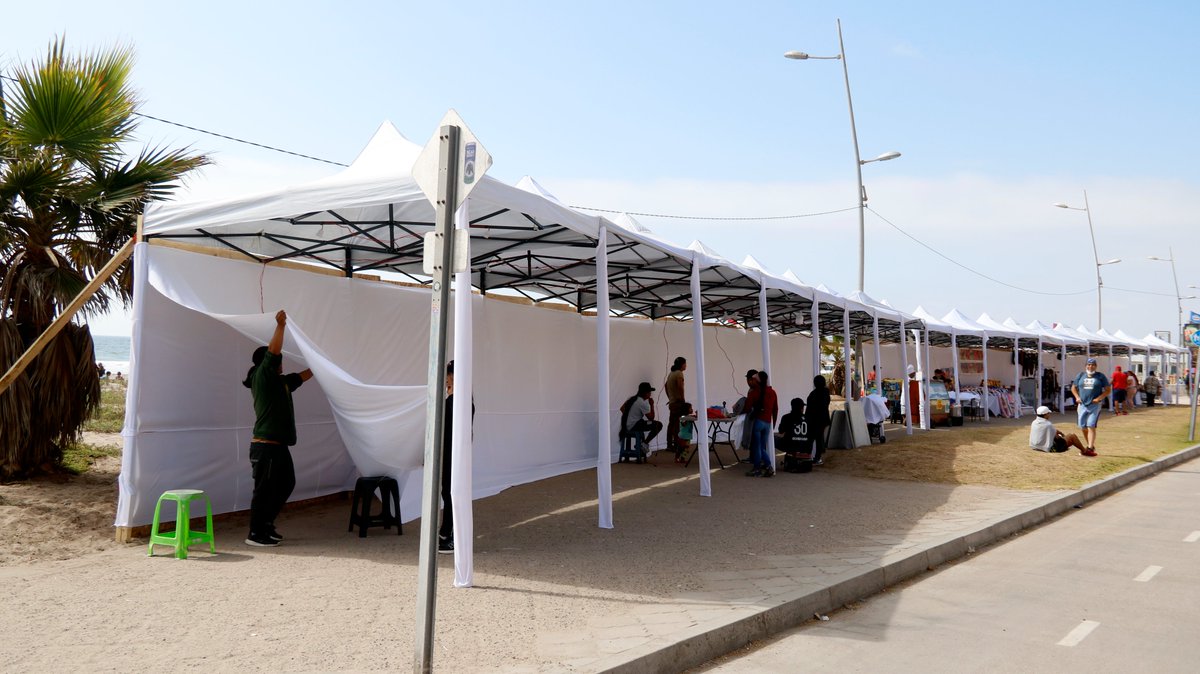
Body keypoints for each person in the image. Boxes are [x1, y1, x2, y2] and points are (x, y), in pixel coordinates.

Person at [242, 310, 313, 547]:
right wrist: (280, 326)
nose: (281, 363)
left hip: (278, 447)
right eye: (278, 361)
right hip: (265, 448)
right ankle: (255, 533)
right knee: (263, 490)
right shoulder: (263, 377)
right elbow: (273, 352)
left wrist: (320, 364)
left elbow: (302, 377)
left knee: (286, 483)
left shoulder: (280, 382)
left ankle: (266, 524)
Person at [439, 360, 475, 554]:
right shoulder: (464, 402)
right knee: (451, 493)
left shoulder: (454, 403)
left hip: (451, 455)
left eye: (448, 376)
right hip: (457, 455)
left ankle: (450, 535)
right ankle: (447, 532)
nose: (445, 380)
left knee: (451, 494)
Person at [1071, 357, 1110, 456]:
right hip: (1082, 404)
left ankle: (1090, 447)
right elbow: (1073, 388)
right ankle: (1090, 445)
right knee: (1083, 427)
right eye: (1089, 365)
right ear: (1086, 366)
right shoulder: (1080, 375)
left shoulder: (1100, 376)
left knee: (1091, 425)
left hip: (1094, 405)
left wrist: (1099, 398)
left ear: (1096, 366)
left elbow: (1108, 389)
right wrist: (1077, 397)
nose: (1090, 366)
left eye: (1093, 365)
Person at [744, 370, 779, 477]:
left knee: (757, 447)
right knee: (762, 447)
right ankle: (764, 467)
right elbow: (776, 409)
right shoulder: (772, 392)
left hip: (758, 422)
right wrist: (773, 424)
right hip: (767, 422)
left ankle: (763, 467)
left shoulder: (754, 392)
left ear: (756, 381)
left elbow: (747, 408)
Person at [621, 381, 663, 449]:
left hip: (627, 425)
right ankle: (644, 444)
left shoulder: (631, 399)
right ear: (645, 393)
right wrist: (651, 405)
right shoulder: (642, 403)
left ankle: (642, 444)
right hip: (635, 426)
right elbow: (651, 418)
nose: (650, 394)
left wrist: (629, 417)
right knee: (658, 425)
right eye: (649, 392)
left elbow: (622, 409)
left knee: (643, 422)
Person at [777, 398, 813, 471]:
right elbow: (812, 435)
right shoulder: (808, 418)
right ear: (801, 408)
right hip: (805, 447)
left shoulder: (786, 417)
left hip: (790, 446)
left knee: (772, 438)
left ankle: (763, 461)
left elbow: (781, 431)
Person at [806, 375, 832, 466]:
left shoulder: (812, 394)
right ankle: (817, 457)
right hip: (822, 419)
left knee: (811, 438)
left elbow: (809, 408)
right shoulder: (826, 392)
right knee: (819, 438)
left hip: (813, 419)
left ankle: (808, 456)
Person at [664, 356, 688, 456]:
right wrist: (682, 400)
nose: (686, 365)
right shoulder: (679, 373)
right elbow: (680, 387)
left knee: (671, 424)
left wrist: (670, 397)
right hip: (678, 403)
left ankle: (670, 444)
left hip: (672, 402)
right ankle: (677, 445)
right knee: (678, 425)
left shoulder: (671, 373)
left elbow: (666, 386)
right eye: (685, 363)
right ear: (682, 364)